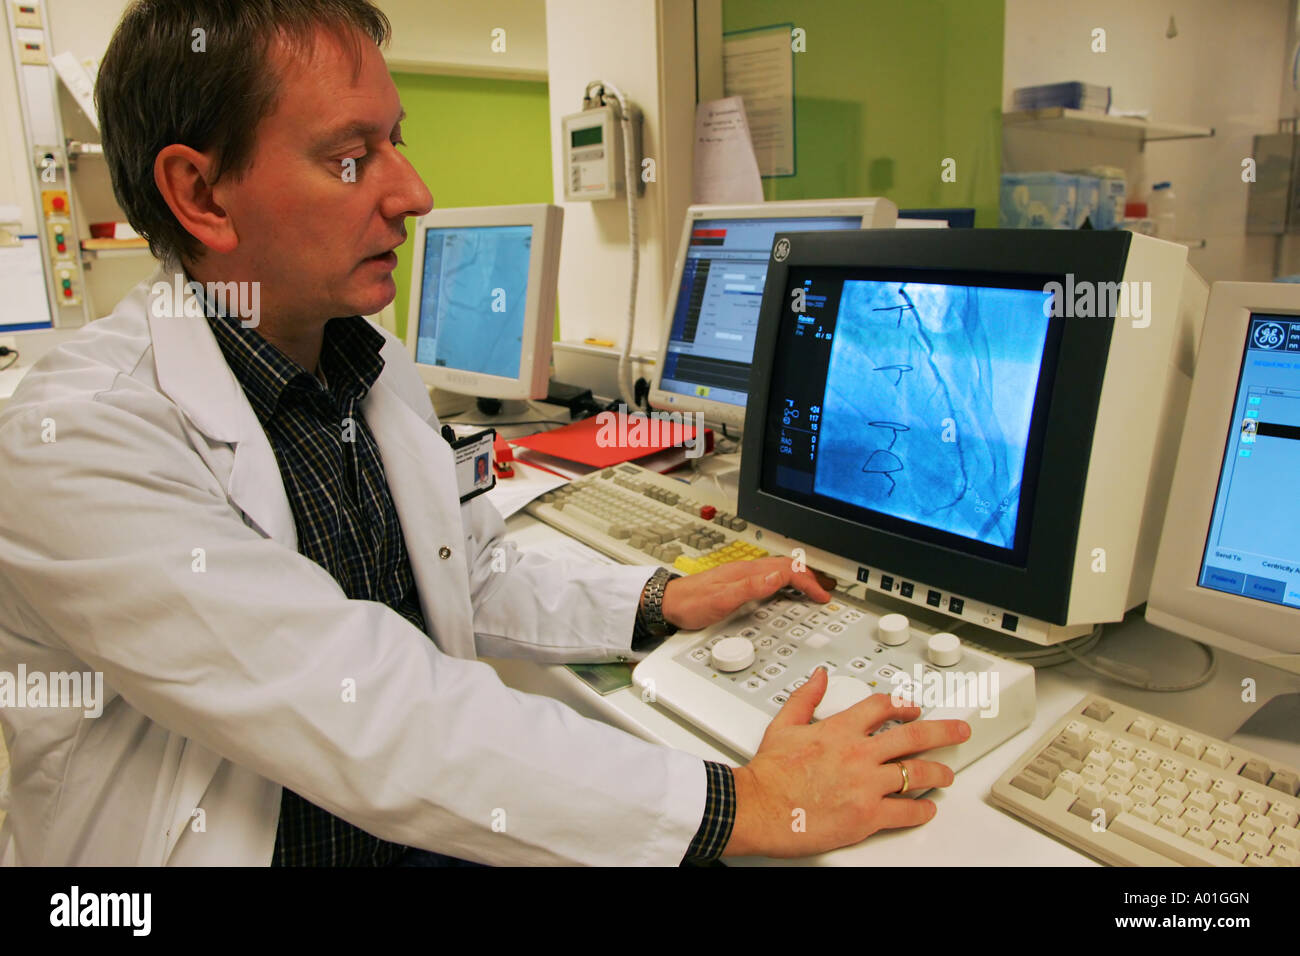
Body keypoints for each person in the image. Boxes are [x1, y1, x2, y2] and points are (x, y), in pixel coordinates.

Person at [0, 0, 968, 866]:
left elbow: (463, 568)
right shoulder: (78, 441)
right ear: (201, 194)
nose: (412, 192)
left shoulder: (361, 359)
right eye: (351, 157)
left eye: (396, 141)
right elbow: (363, 706)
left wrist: (658, 598)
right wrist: (739, 803)